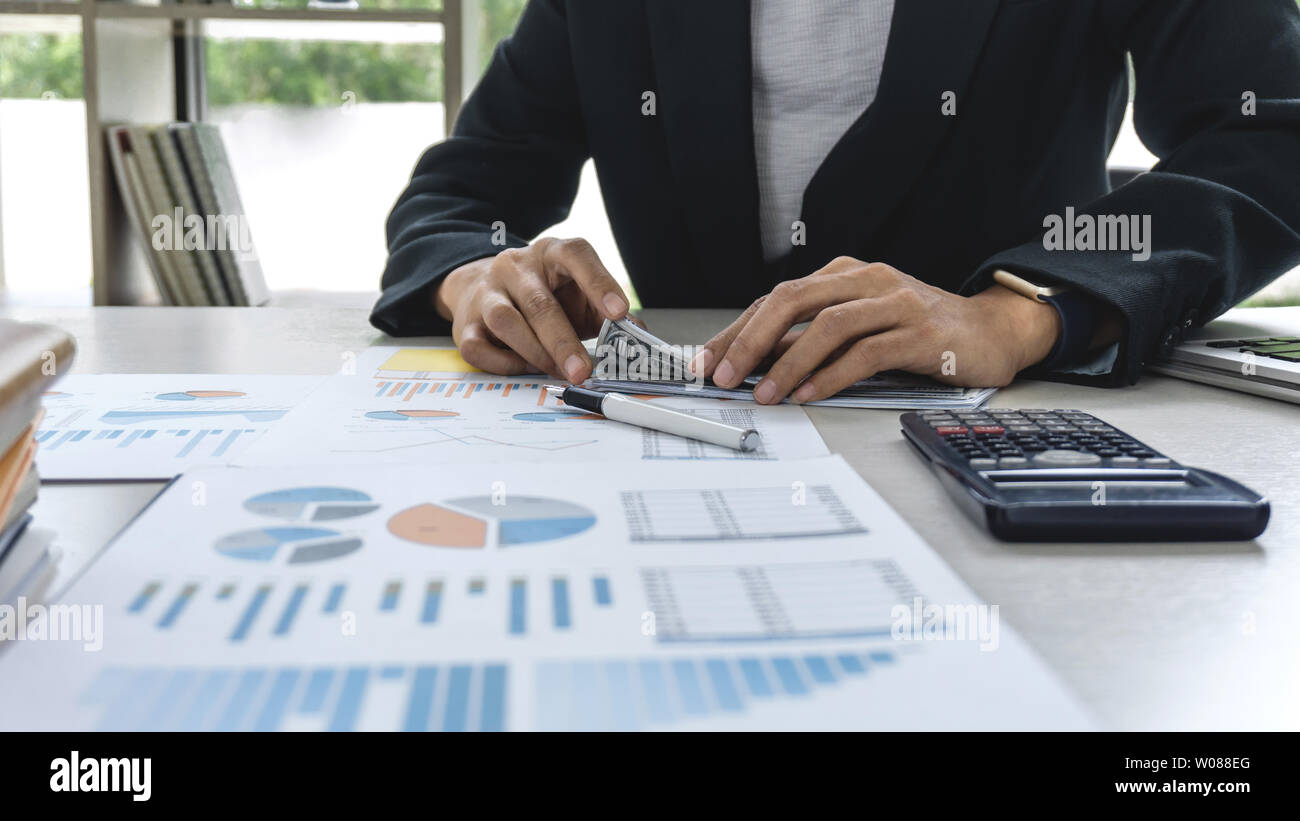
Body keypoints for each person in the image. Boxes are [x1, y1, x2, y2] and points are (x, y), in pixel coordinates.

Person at [371, 0, 1300, 404]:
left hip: (997, 462)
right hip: (680, 460)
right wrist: (475, 279)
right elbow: (462, 194)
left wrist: (1019, 313)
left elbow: (1277, 130)